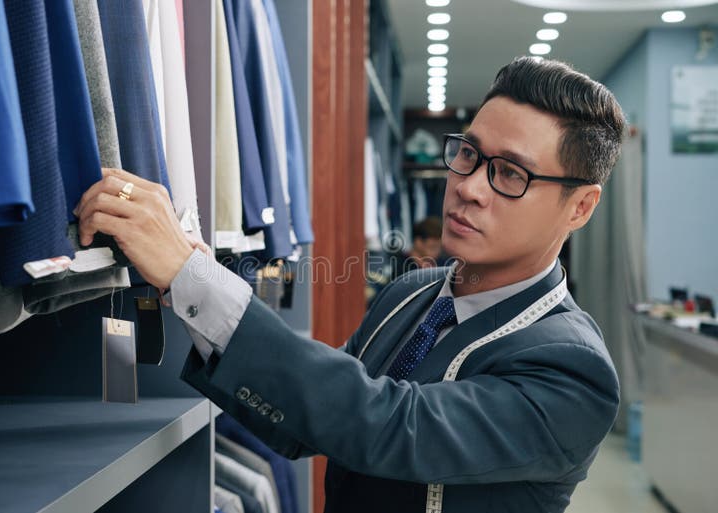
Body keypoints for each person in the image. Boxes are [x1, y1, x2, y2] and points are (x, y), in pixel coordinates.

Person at [75, 57, 624, 513]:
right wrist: (190, 277)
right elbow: (313, 419)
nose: (469, 187)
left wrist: (194, 280)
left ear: (579, 206)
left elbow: (386, 423)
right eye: (469, 155)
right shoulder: (412, 294)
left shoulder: (571, 368)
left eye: (509, 174)